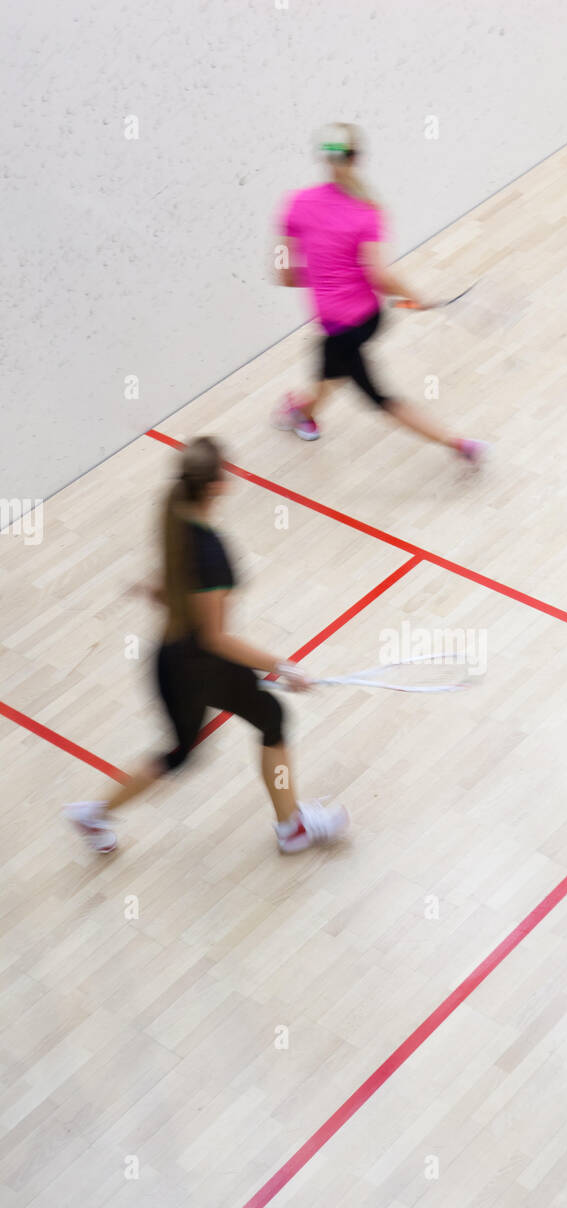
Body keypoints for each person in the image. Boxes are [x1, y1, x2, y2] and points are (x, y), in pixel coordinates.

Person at [63, 437, 348, 855]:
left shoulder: (174, 517)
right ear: (216, 485)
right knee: (272, 721)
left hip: (171, 661)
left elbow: (173, 591)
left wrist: (155, 592)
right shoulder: (211, 553)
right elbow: (217, 638)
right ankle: (292, 828)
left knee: (181, 754)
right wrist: (283, 666)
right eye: (227, 471)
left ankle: (93, 814)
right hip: (202, 664)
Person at [272, 122, 486, 463]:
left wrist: (321, 275)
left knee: (380, 398)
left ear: (324, 158)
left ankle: (458, 444)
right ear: (357, 158)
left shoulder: (295, 204)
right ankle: (302, 410)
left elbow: (282, 275)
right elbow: (378, 277)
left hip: (340, 329)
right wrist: (415, 298)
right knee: (331, 371)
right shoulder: (368, 211)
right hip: (371, 319)